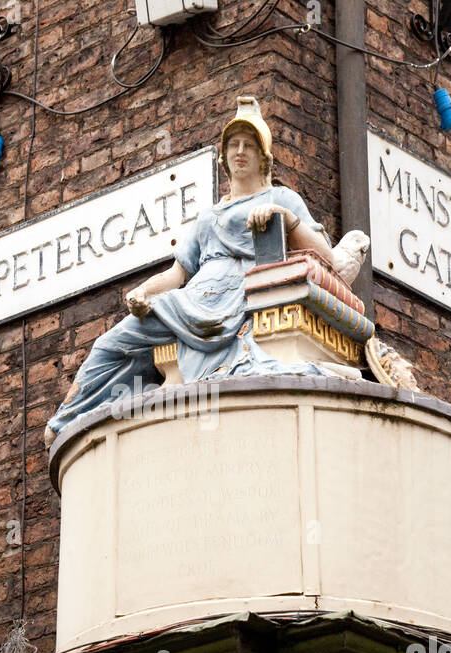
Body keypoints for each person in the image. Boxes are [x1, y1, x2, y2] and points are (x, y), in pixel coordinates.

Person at [44, 97, 338, 446]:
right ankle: (68, 420)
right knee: (113, 342)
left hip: (235, 295)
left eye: (249, 145)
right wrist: (142, 293)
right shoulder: (207, 218)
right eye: (233, 145)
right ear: (224, 157)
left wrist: (284, 219)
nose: (240, 151)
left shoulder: (281, 199)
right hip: (189, 298)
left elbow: (327, 258)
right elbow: (176, 275)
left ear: (264, 157)